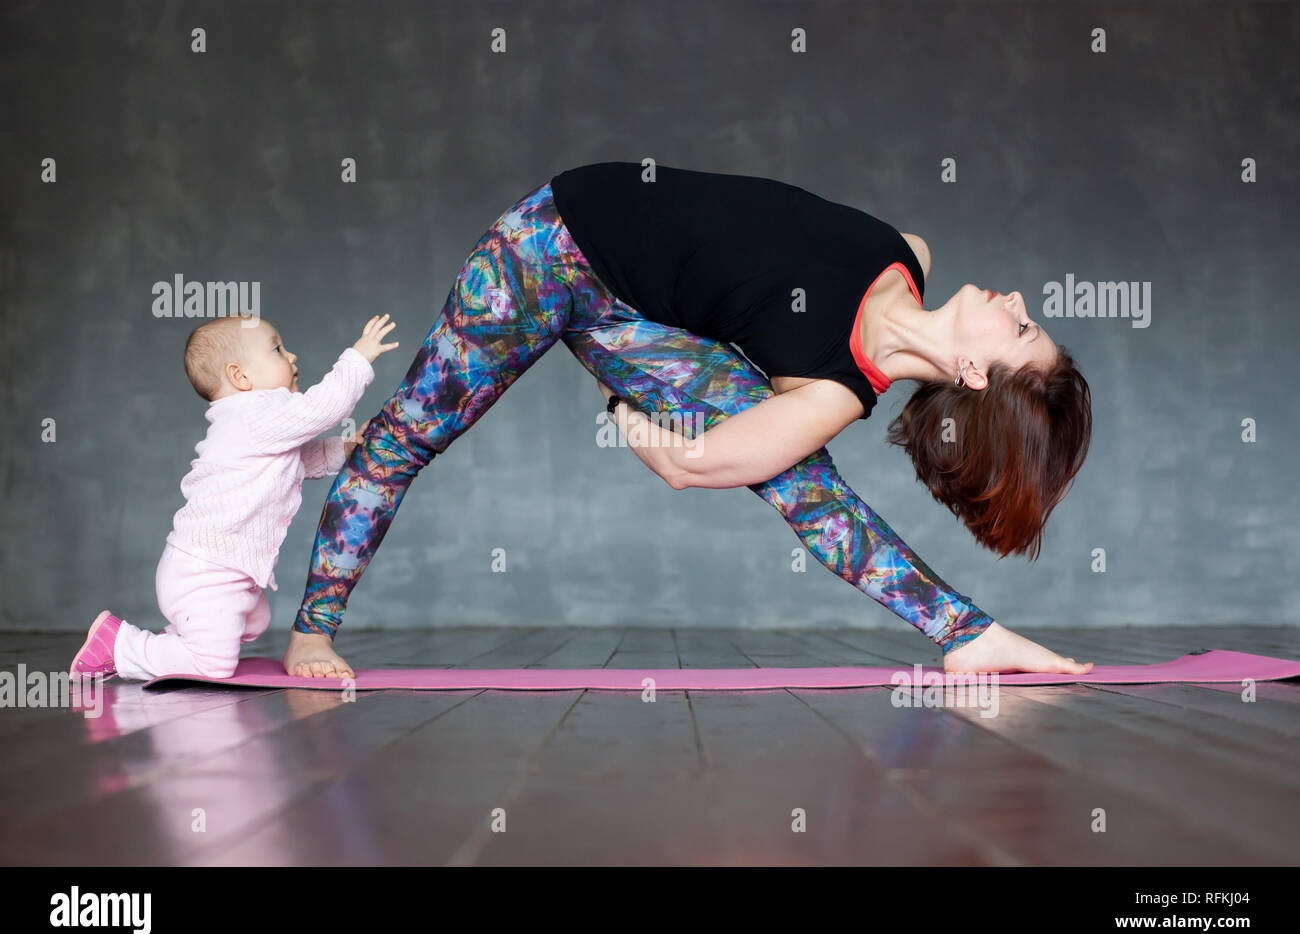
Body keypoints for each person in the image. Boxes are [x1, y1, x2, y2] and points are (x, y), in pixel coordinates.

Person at [279, 161, 1094, 679]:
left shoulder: (831, 392)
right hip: (540, 241)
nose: (1019, 303)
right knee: (400, 440)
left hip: (621, 320)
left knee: (807, 488)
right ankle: (313, 633)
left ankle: (965, 633)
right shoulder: (908, 258)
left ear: (977, 372)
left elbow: (686, 463)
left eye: (1022, 329)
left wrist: (616, 389)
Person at [70, 313, 398, 679]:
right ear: (241, 377)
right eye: (277, 349)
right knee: (214, 665)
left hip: (216, 568)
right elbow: (322, 409)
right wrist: (357, 359)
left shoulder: (254, 425)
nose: (293, 357)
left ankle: (182, 638)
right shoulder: (254, 415)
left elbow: (300, 460)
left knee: (256, 619)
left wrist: (348, 447)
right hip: (205, 571)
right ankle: (119, 645)